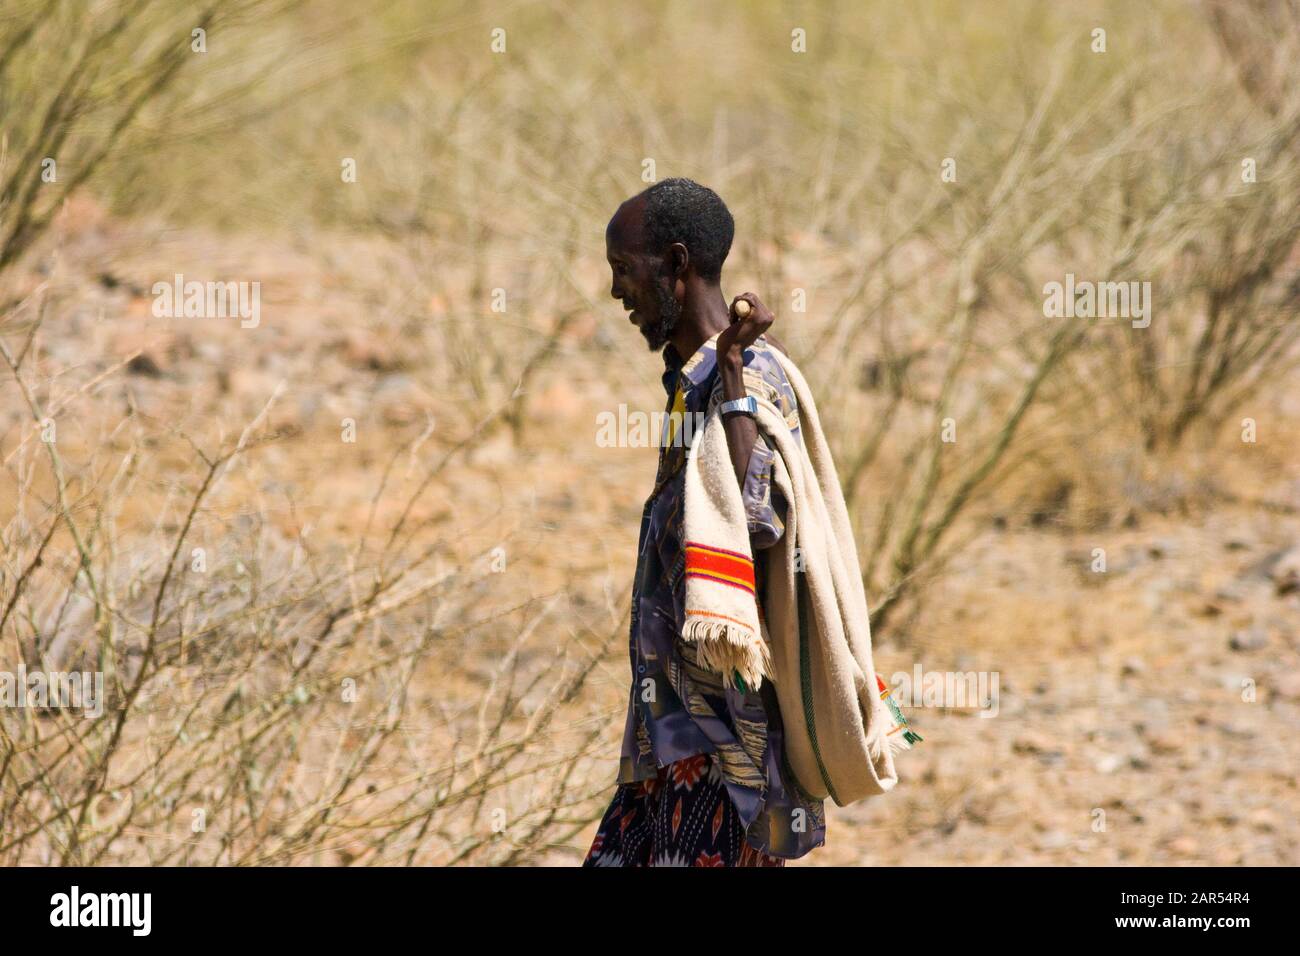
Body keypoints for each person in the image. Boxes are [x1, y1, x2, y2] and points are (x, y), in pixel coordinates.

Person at [583, 178, 823, 867]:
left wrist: (735, 376)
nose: (616, 292)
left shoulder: (751, 377)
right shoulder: (692, 381)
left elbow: (760, 524)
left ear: (677, 264)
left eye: (624, 270)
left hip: (730, 764)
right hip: (672, 751)